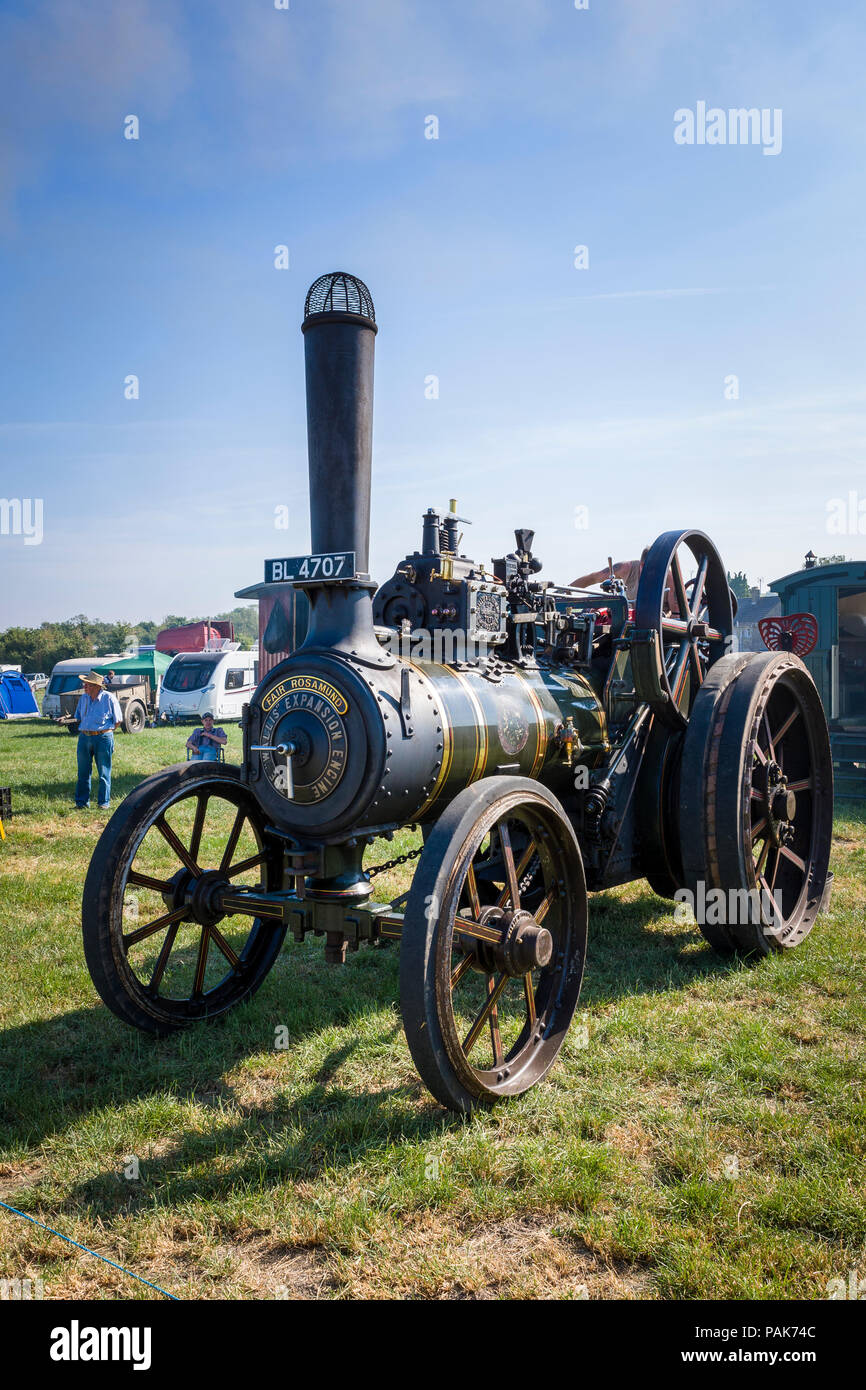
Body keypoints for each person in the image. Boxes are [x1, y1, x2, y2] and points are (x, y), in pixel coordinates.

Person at [73, 672, 123, 809]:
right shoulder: (83, 698)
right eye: (85, 684)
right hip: (84, 737)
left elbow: (118, 720)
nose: (84, 687)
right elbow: (78, 717)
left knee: (104, 772)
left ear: (96, 686)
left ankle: (103, 803)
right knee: (83, 772)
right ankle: (81, 803)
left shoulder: (109, 698)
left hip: (103, 738)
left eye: (87, 685)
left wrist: (104, 732)